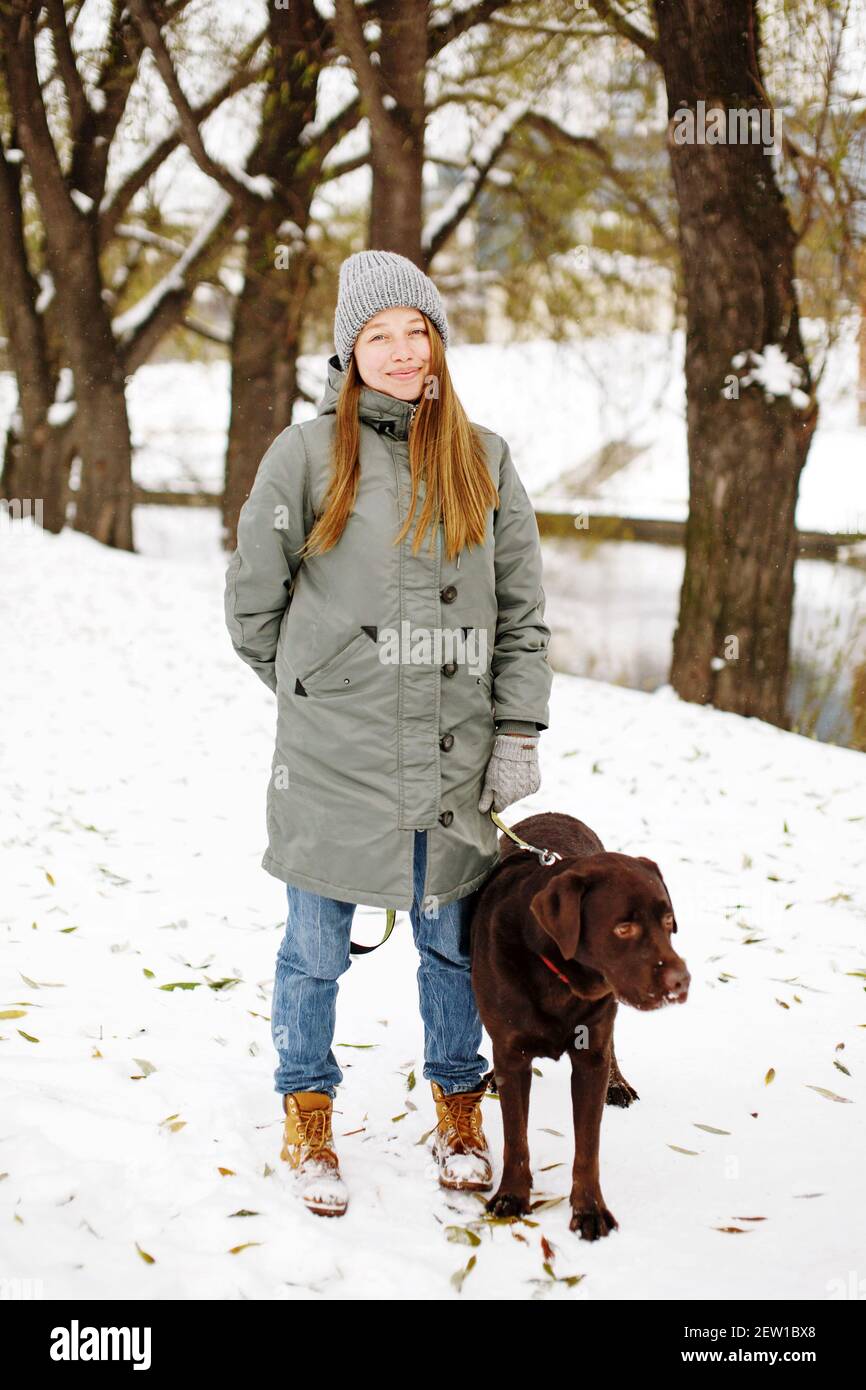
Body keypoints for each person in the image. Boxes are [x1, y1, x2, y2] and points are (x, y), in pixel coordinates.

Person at [224, 249, 552, 1217]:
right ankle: (308, 1107)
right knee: (315, 948)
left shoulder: (483, 456)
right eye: (380, 336)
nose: (404, 352)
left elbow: (524, 611)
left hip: (453, 757)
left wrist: (517, 726)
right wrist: (315, 687)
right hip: (337, 759)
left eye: (418, 331)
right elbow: (253, 605)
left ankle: (459, 1103)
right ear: (349, 350)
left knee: (453, 947)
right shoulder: (303, 455)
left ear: (438, 342)